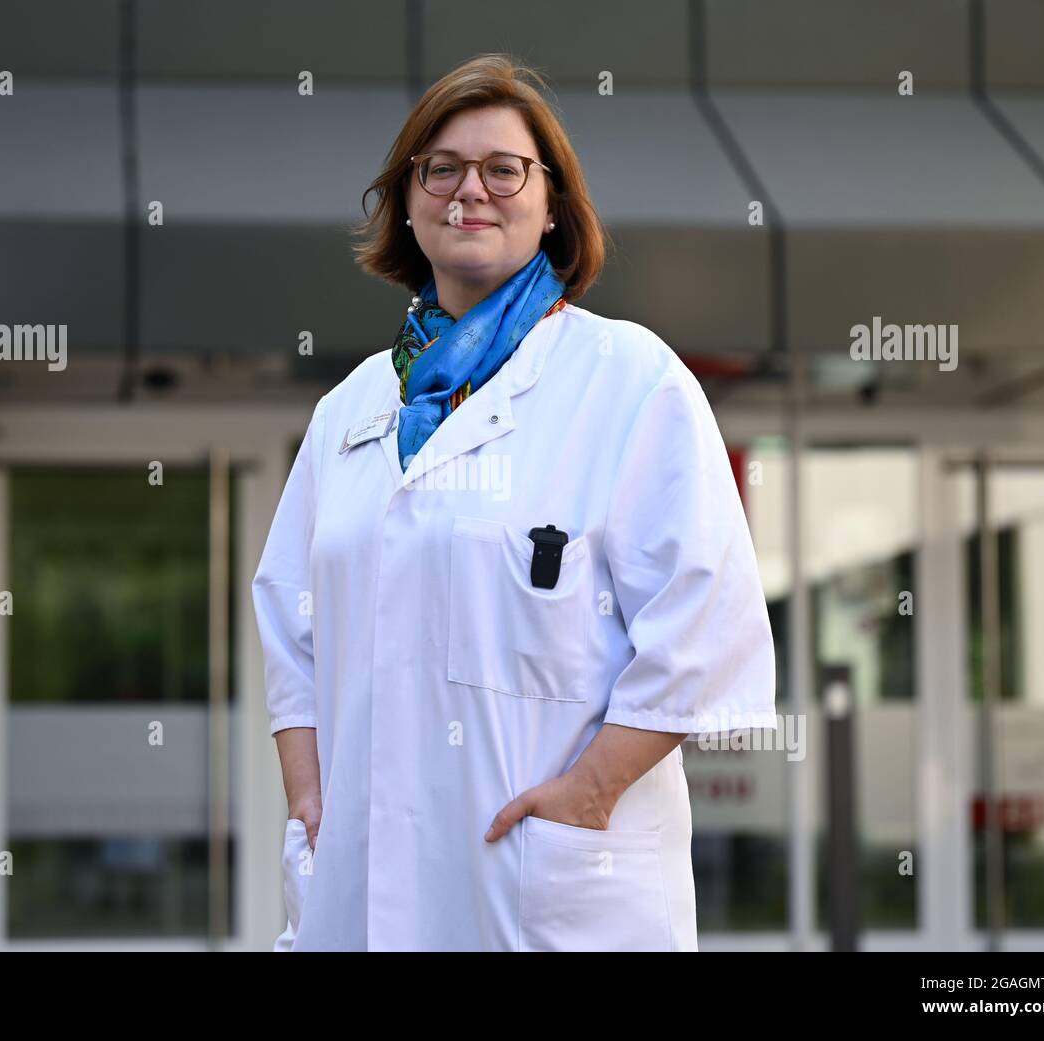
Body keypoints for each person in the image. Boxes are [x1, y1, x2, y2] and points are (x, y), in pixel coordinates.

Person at [253, 54, 776, 952]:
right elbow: (289, 622)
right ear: (408, 203)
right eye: (441, 168)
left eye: (505, 169)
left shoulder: (629, 381)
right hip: (362, 885)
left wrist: (591, 792)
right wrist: (308, 797)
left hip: (550, 887)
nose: (471, 192)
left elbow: (707, 623)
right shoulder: (351, 408)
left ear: (553, 205)